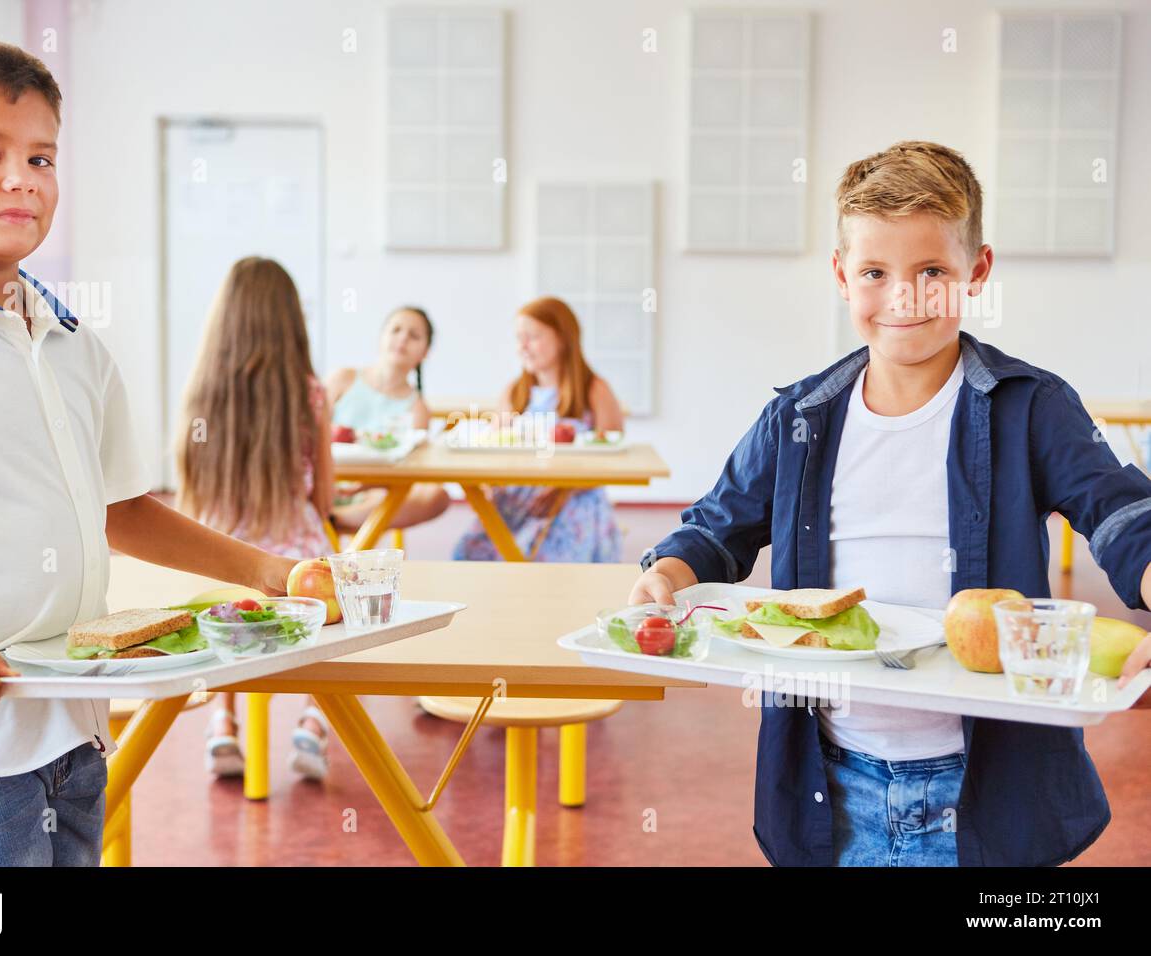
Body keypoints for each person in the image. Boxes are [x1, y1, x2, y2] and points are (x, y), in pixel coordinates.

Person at [632, 141, 1151, 866]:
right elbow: (719, 524)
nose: (903, 298)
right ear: (842, 276)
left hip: (982, 791)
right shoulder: (799, 418)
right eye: (876, 272)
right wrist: (667, 576)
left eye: (931, 271)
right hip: (830, 784)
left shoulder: (1030, 407)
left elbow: (1123, 515)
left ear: (978, 271)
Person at [0, 34, 299, 865]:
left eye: (42, 157)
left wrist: (268, 572)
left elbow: (124, 510)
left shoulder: (74, 343)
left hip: (74, 722)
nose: (21, 177)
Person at [175, 256, 335, 781]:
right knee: (333, 617)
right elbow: (324, 497)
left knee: (226, 631)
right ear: (291, 321)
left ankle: (223, 724)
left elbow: (189, 492)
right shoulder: (310, 393)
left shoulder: (200, 394)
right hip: (292, 562)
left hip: (224, 555)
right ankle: (314, 721)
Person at [453, 296, 624, 562]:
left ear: (563, 338)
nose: (523, 346)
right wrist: (488, 485)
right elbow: (494, 446)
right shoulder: (515, 392)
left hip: (571, 498)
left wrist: (561, 487)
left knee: (552, 561)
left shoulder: (595, 390)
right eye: (518, 338)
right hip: (515, 501)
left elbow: (612, 457)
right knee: (467, 555)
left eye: (532, 337)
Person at [326, 306, 449, 531]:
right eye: (396, 330)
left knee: (436, 495)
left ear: (425, 352)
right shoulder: (342, 379)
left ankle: (335, 519)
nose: (402, 338)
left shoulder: (418, 409)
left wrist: (364, 486)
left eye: (414, 336)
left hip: (371, 495)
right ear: (381, 337)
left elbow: (405, 470)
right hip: (323, 480)